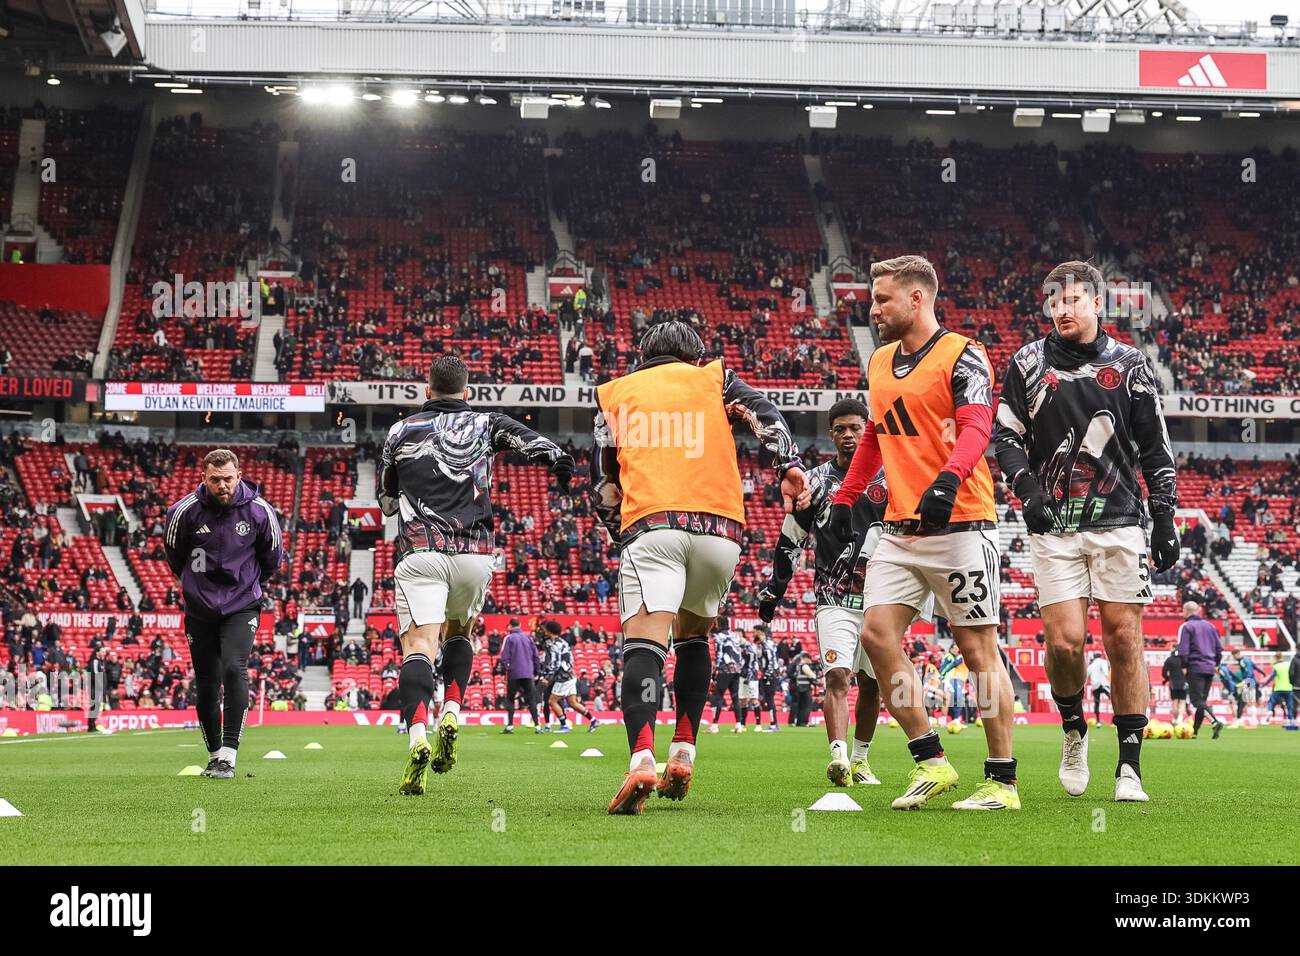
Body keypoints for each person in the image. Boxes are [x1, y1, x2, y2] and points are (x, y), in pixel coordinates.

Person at [592, 319, 807, 814]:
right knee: (695, 639)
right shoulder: (715, 377)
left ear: (643, 354)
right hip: (721, 531)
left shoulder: (615, 394)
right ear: (696, 355)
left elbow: (604, 483)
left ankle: (643, 755)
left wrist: (618, 534)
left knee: (645, 646)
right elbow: (765, 415)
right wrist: (788, 465)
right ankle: (684, 748)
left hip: (654, 524)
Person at [829, 255, 1016, 811]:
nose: (872, 308)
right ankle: (931, 759)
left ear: (916, 299)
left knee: (977, 648)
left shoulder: (965, 354)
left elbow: (978, 424)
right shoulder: (880, 361)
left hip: (961, 523)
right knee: (877, 636)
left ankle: (1002, 782)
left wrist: (949, 479)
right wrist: (846, 497)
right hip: (899, 530)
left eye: (882, 298)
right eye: (872, 298)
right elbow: (875, 434)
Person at [995, 259, 1179, 804]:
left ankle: (1129, 766)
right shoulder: (1026, 363)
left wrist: (1165, 516)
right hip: (1054, 525)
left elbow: (1155, 446)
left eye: (1073, 300)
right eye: (1054, 301)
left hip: (1120, 520)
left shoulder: (1131, 364)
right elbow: (1005, 436)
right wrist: (1028, 491)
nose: (1062, 309)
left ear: (1098, 304)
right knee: (1066, 641)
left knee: (1124, 637)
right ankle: (1074, 728)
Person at [379, 355, 573, 795]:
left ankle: (418, 737)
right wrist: (560, 461)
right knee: (459, 632)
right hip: (475, 554)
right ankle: (452, 709)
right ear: (467, 392)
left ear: (426, 391)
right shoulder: (487, 423)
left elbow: (388, 502)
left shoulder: (399, 431)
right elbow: (539, 446)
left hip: (422, 550)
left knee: (419, 646)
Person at [758, 398, 916, 785]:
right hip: (832, 597)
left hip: (882, 599)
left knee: (873, 684)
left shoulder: (891, 478)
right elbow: (791, 539)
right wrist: (774, 590)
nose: (848, 436)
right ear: (831, 434)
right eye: (841, 429)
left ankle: (862, 760)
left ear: (868, 431)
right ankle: (839, 757)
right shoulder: (814, 483)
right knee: (837, 677)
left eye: (855, 428)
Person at [163, 449, 284, 779]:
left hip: (242, 604)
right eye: (215, 479)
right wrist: (196, 586)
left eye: (228, 479)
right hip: (200, 608)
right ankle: (214, 755)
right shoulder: (183, 512)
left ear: (239, 476)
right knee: (206, 682)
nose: (222, 485)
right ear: (203, 478)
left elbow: (273, 558)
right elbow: (174, 554)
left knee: (234, 667)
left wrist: (246, 585)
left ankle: (229, 755)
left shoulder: (260, 512)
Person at [1176, 601, 1224, 739]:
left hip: (1195, 667)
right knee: (1202, 701)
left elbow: (1183, 649)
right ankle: (1195, 731)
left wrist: (1184, 666)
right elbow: (1219, 649)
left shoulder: (1186, 626)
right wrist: (1216, 664)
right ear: (1198, 611)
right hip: (1209, 667)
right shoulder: (1211, 626)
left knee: (1197, 700)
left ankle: (1214, 721)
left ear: (1186, 611)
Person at [541, 620, 600, 733]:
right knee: (573, 703)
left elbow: (555, 663)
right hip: (570, 675)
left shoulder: (554, 644)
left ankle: (564, 726)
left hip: (563, 677)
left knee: (552, 701)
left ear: (550, 631)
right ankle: (593, 720)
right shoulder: (563, 642)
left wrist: (547, 676)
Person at [500, 619, 544, 734]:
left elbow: (504, 657)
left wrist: (505, 671)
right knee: (531, 699)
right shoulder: (528, 638)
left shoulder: (508, 638)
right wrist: (536, 671)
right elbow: (536, 656)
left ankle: (510, 726)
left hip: (514, 673)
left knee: (510, 698)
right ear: (520, 625)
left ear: (510, 626)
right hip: (528, 673)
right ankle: (538, 726)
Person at [709, 620, 745, 734]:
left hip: (725, 669)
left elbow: (719, 654)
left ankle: (714, 725)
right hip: (736, 669)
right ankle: (739, 725)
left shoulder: (719, 636)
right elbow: (739, 653)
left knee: (718, 696)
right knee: (735, 697)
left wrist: (715, 670)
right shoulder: (735, 635)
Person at [1162, 647, 1189, 724]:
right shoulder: (1184, 660)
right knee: (1182, 701)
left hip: (1173, 683)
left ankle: (1176, 719)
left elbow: (1164, 672)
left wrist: (1167, 678)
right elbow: (1189, 671)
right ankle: (1180, 719)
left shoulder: (1169, 659)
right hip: (1184, 683)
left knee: (1175, 701)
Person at [1086, 653, 1111, 725]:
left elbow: (1086, 677)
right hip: (1104, 684)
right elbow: (1105, 672)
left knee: (1097, 703)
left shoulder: (1091, 665)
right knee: (1113, 700)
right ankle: (1115, 719)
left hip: (1095, 686)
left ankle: (1098, 722)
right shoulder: (1103, 662)